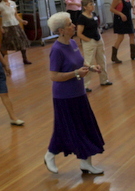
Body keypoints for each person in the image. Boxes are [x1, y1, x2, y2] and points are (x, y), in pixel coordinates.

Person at [42, 12, 105, 175]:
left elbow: (79, 62)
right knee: (65, 128)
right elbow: (53, 76)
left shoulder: (72, 43)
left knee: (85, 126)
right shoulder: (56, 50)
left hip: (79, 93)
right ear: (61, 30)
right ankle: (50, 154)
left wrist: (90, 67)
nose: (74, 26)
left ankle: (86, 163)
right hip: (64, 96)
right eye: (70, 24)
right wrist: (76, 74)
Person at [75, 0, 112, 92]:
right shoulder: (82, 18)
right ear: (84, 7)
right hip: (89, 42)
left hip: (98, 39)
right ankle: (85, 85)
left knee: (102, 60)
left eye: (93, 4)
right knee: (89, 63)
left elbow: (96, 27)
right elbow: (79, 33)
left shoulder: (94, 15)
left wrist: (98, 36)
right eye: (90, 5)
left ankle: (104, 80)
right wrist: (88, 40)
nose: (93, 6)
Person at [0, 0, 32, 65]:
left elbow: (15, 14)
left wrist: (22, 21)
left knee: (22, 42)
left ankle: (24, 59)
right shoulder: (0, 6)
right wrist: (1, 27)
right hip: (7, 26)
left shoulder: (13, 3)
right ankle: (0, 61)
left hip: (15, 24)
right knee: (6, 44)